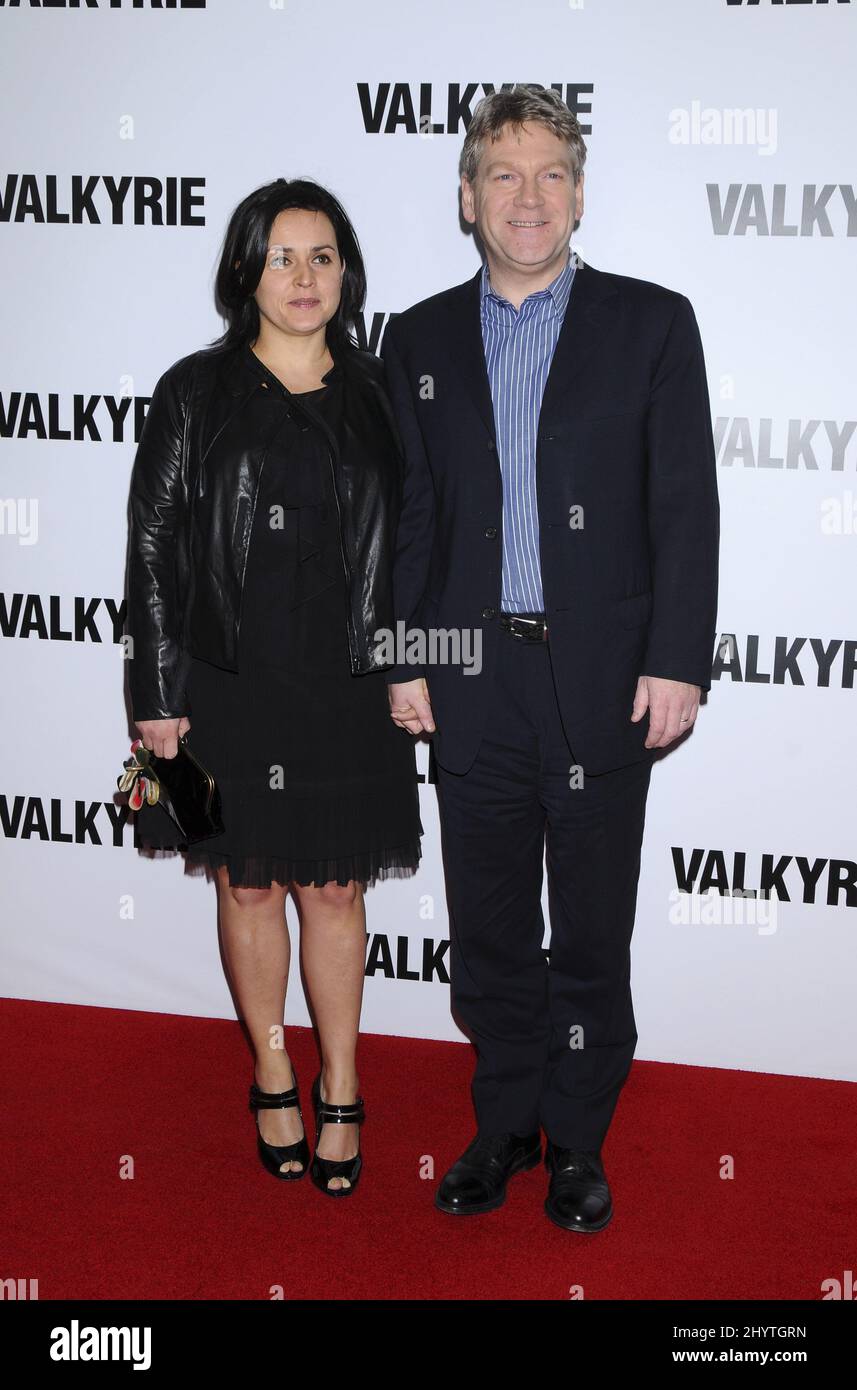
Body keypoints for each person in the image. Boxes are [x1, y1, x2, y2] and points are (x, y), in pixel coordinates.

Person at [382, 87, 719, 1231]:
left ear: (578, 192)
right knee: (483, 925)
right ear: (466, 195)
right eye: (503, 175)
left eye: (550, 174)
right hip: (472, 679)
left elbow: (683, 507)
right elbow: (411, 517)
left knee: (586, 928)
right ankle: (502, 1124)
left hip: (601, 680)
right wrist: (404, 655)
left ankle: (577, 1137)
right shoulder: (416, 336)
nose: (527, 198)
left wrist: (677, 658)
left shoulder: (651, 323)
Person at [124, 178, 423, 1196]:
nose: (304, 277)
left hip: (346, 681)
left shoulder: (383, 389)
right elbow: (154, 548)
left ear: (347, 272)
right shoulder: (191, 391)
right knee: (244, 880)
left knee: (334, 887)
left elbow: (417, 544)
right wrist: (155, 694)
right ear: (245, 269)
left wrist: (411, 659)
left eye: (323, 256)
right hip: (219, 683)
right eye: (282, 256)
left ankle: (342, 1079)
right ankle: (269, 1063)